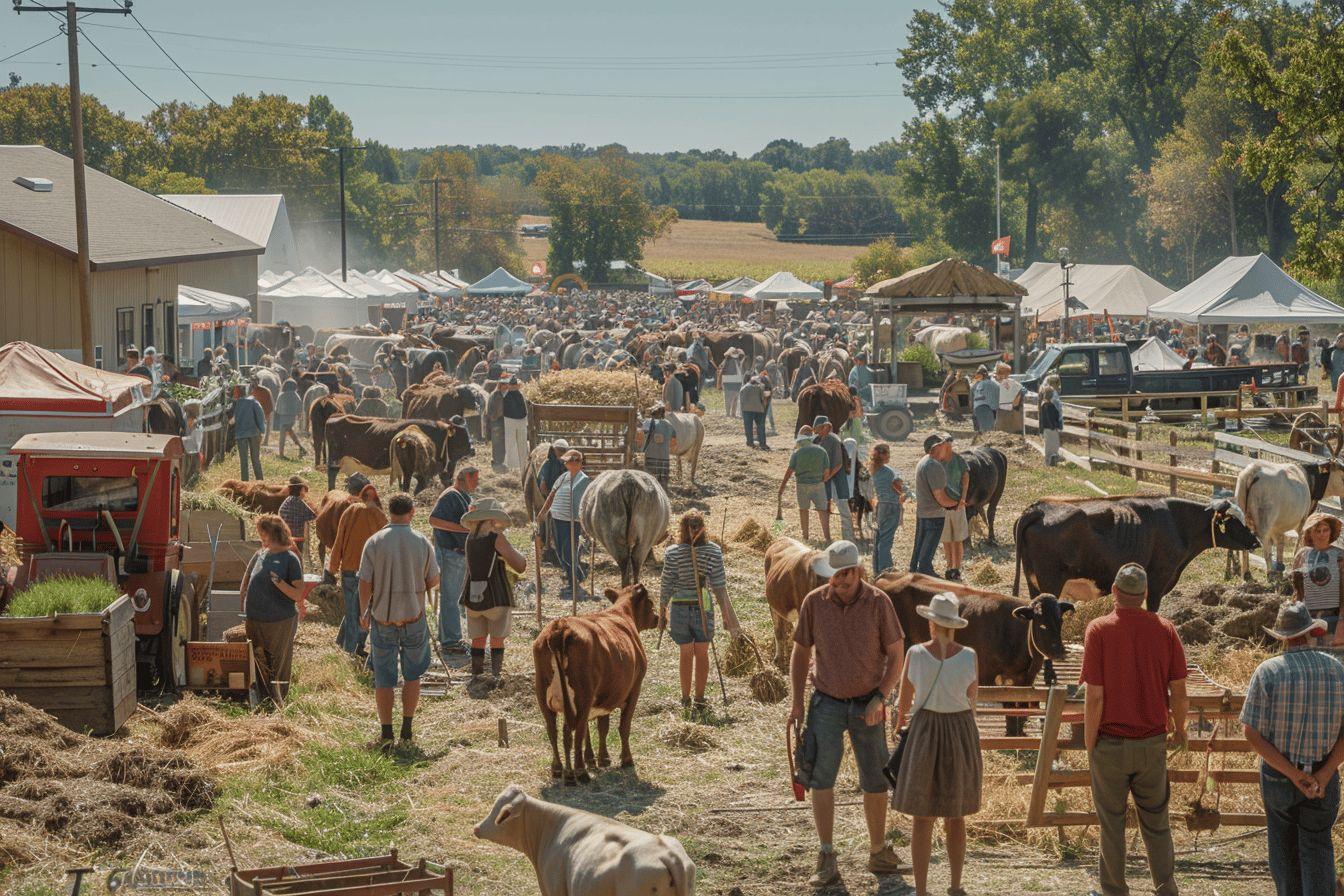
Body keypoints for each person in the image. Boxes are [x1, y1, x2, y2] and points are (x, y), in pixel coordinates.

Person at [788, 540, 906, 888]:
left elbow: (897, 654)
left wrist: (881, 697)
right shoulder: (814, 603)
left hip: (867, 702)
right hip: (826, 701)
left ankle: (878, 849)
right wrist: (796, 702)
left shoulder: (879, 602)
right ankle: (826, 854)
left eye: (845, 577)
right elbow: (800, 653)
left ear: (858, 571)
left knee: (874, 778)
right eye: (833, 578)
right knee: (821, 777)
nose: (838, 584)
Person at [1080, 563, 1187, 896]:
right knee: (1156, 820)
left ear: (1114, 592)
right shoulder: (1165, 629)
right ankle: (1165, 886)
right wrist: (1180, 729)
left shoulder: (1098, 630)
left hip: (1110, 742)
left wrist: (1089, 742)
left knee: (1111, 823)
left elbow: (1095, 695)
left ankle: (1114, 889)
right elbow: (1179, 690)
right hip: (1152, 742)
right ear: (1144, 595)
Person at [1241, 601, 1344, 896]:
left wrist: (1292, 773)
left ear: (1283, 637)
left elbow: (1251, 733)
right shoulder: (1337, 670)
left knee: (1283, 846)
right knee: (1317, 845)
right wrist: (1323, 774)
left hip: (1279, 776)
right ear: (1311, 632)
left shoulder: (1267, 672)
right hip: (1323, 774)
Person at [891, 592, 982, 896]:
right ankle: (955, 885)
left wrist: (898, 729)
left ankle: (921, 889)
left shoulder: (915, 654)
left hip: (925, 731)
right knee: (955, 816)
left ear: (932, 624)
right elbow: (972, 699)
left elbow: (903, 704)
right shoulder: (970, 656)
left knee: (922, 816)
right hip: (959, 732)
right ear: (954, 626)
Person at [358, 492, 439, 752]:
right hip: (414, 616)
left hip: (383, 618)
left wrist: (363, 612)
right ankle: (407, 727)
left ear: (389, 512)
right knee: (412, 674)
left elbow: (364, 582)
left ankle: (386, 733)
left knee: (384, 677)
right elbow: (433, 580)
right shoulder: (422, 542)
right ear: (412, 511)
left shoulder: (374, 542)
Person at [660, 510, 741, 719]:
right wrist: (725, 615)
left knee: (686, 652)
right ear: (703, 527)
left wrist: (662, 610)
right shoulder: (714, 551)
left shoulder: (672, 552)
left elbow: (666, 584)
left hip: (679, 608)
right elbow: (719, 585)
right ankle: (699, 698)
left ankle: (686, 698)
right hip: (702, 608)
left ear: (681, 529)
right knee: (702, 652)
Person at [460, 497, 527, 685]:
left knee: (478, 638)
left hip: (472, 595)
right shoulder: (496, 538)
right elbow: (520, 565)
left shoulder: (470, 538)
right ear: (491, 519)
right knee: (497, 637)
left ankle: (477, 675)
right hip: (495, 595)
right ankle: (496, 676)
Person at [239, 514, 304, 706]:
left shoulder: (290, 558)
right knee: (258, 659)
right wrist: (243, 601)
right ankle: (261, 698)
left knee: (277, 662)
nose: (260, 537)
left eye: (261, 532)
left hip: (279, 621)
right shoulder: (260, 554)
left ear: (269, 533)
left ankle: (278, 701)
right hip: (255, 618)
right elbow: (246, 580)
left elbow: (298, 594)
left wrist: (279, 583)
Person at [328, 474, 387, 657]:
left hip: (349, 569)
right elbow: (386, 544)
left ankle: (344, 644)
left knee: (353, 610)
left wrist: (332, 567)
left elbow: (339, 541)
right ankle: (351, 652)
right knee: (362, 612)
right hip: (370, 573)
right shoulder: (379, 515)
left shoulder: (351, 511)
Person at [429, 466, 477, 657]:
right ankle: (451, 641)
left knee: (453, 597)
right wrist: (462, 530)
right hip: (449, 552)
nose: (478, 484)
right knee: (450, 598)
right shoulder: (450, 495)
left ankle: (449, 637)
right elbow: (433, 520)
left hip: (456, 554)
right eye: (475, 480)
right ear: (465, 478)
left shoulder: (462, 496)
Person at [538, 449, 591, 602]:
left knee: (569, 551)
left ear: (578, 463)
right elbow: (551, 496)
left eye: (569, 461)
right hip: (557, 519)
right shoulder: (562, 478)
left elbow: (586, 503)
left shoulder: (584, 480)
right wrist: (542, 513)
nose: (566, 464)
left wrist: (585, 523)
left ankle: (573, 582)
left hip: (572, 522)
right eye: (566, 462)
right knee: (560, 551)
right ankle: (576, 575)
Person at [1291, 512, 1344, 643]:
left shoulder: (1340, 556)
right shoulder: (1302, 555)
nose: (1322, 534)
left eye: (1325, 530)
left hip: (1334, 617)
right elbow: (1297, 590)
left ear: (1331, 532)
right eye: (1317, 530)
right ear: (1310, 533)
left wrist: (1342, 623)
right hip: (1307, 618)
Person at [910, 433, 959, 576]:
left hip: (923, 513)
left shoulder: (923, 461)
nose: (946, 448)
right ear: (936, 447)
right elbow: (941, 498)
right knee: (925, 558)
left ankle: (913, 576)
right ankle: (927, 578)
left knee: (918, 551)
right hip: (934, 516)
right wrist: (956, 503)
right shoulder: (934, 466)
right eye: (944, 445)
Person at [780, 434, 831, 542]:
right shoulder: (822, 451)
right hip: (818, 484)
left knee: (804, 510)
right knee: (822, 510)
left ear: (799, 443)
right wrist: (821, 481)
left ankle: (805, 537)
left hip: (802, 485)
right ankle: (827, 537)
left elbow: (789, 471)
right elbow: (827, 473)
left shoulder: (797, 453)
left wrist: (782, 486)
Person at [813, 417, 854, 542]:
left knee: (843, 506)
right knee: (824, 507)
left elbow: (838, 464)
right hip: (823, 480)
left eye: (819, 429)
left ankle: (848, 538)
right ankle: (827, 538)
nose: (817, 432)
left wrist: (828, 476)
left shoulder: (834, 440)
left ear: (826, 427)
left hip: (836, 478)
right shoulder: (816, 440)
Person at [868, 442, 903, 576]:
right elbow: (898, 488)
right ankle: (886, 569)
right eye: (888, 452)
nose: (890, 455)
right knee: (886, 540)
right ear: (883, 455)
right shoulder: (889, 472)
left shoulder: (875, 470)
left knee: (879, 538)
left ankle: (877, 569)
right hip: (892, 506)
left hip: (881, 505)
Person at [940, 439, 970, 581]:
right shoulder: (937, 460)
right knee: (946, 539)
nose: (946, 445)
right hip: (941, 505)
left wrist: (963, 499)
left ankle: (956, 568)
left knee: (957, 538)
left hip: (957, 504)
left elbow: (965, 479)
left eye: (948, 443)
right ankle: (948, 566)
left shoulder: (958, 460)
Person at [278, 475, 316, 571]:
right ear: (300, 489)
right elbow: (313, 516)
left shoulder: (286, 502)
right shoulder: (299, 503)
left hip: (285, 539)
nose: (305, 493)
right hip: (297, 539)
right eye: (304, 490)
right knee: (297, 564)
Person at [231, 385, 267, 482]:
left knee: (243, 461)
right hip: (254, 433)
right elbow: (260, 416)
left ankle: (245, 483)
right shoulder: (253, 401)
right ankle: (260, 481)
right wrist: (262, 430)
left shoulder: (235, 403)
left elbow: (232, 420)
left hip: (240, 434)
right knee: (255, 459)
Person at [640, 403, 677, 490]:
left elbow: (640, 437)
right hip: (664, 459)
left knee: (649, 484)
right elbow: (674, 442)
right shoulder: (669, 425)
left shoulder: (648, 423)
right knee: (662, 485)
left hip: (650, 458)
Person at [501, 375, 529, 471]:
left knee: (512, 443)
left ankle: (515, 465)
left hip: (511, 422)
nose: (513, 386)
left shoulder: (506, 395)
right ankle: (519, 465)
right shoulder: (520, 395)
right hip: (518, 421)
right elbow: (525, 411)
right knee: (519, 443)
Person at [273, 379, 305, 459]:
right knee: (290, 431)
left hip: (284, 417)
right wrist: (298, 414)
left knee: (282, 436)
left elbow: (277, 408)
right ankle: (301, 447)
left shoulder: (282, 395)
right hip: (292, 418)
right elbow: (300, 405)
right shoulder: (295, 395)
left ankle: (281, 454)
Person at [739, 375, 769, 449]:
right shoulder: (760, 387)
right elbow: (764, 400)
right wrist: (764, 408)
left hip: (746, 409)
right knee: (761, 426)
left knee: (748, 426)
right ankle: (762, 443)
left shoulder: (744, 388)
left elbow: (741, 401)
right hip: (759, 409)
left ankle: (750, 442)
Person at [1040, 377, 1064, 466]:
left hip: (1048, 428)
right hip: (1051, 428)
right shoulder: (1048, 405)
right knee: (1051, 445)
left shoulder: (1044, 404)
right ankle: (1048, 461)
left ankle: (1052, 459)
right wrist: (1055, 425)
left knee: (1052, 444)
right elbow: (1051, 417)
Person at [993, 362, 1023, 433]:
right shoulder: (1010, 382)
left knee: (1002, 430)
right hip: (1006, 408)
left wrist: (1015, 402)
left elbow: (1020, 390)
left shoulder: (1008, 382)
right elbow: (1021, 390)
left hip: (1005, 410)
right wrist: (1015, 402)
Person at [444, 414, 473, 484]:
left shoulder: (451, 430)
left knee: (451, 462)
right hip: (463, 452)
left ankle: (448, 479)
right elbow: (469, 444)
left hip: (455, 453)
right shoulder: (464, 429)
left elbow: (449, 445)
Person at [970, 365, 998, 435]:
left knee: (979, 432)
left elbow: (971, 400)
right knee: (989, 431)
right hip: (991, 411)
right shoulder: (994, 384)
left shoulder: (974, 386)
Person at [485, 380, 506, 471]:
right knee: (498, 443)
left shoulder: (495, 394)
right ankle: (497, 462)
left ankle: (498, 461)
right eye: (505, 385)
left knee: (498, 443)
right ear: (501, 385)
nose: (507, 387)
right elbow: (498, 410)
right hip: (497, 421)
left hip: (495, 421)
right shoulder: (497, 395)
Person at [181, 403, 203, 486]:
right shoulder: (193, 420)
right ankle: (189, 483)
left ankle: (187, 483)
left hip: (188, 445)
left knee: (187, 467)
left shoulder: (186, 418)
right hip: (190, 446)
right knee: (191, 467)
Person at [721, 348, 744, 418]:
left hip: (736, 380)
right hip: (729, 380)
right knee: (729, 398)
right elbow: (723, 370)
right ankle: (728, 413)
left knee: (735, 398)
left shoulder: (737, 360)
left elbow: (742, 354)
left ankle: (733, 414)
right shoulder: (727, 361)